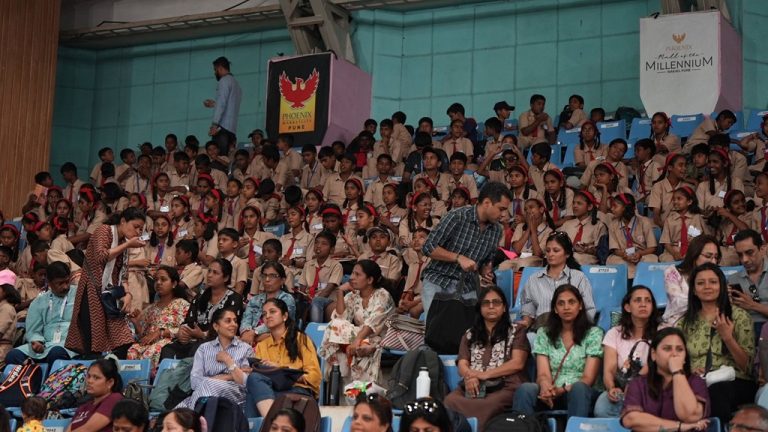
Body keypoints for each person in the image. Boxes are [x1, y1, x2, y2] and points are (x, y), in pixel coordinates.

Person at [678, 262, 756, 424]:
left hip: (734, 381)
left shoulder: (740, 317)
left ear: (721, 286)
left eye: (713, 282)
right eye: (701, 283)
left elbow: (748, 368)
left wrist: (727, 337)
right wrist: (690, 371)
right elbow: (676, 360)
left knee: (717, 390)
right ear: (694, 290)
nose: (707, 286)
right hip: (697, 381)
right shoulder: (684, 323)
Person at [443, 286, 530, 430]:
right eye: (486, 303)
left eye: (496, 302)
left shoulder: (517, 331)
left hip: (506, 386)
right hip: (473, 386)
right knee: (450, 401)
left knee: (487, 404)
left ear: (504, 308)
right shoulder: (470, 334)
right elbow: (462, 364)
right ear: (480, 308)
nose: (491, 306)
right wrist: (470, 376)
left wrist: (484, 375)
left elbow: (517, 363)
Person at [65, 208, 147, 357]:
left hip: (111, 295)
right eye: (136, 226)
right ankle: (95, 369)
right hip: (92, 292)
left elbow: (123, 273)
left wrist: (128, 294)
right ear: (123, 221)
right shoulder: (104, 230)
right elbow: (101, 256)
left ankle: (112, 368)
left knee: (123, 341)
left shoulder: (124, 242)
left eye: (141, 229)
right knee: (93, 344)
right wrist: (128, 245)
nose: (138, 232)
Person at [421, 181, 512, 315]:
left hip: (467, 288)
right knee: (438, 326)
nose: (503, 214)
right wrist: (458, 258)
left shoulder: (497, 230)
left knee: (469, 327)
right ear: (487, 203)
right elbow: (428, 247)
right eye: (501, 209)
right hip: (439, 281)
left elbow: (485, 262)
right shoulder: (457, 216)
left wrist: (486, 271)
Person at [512, 285, 603, 418]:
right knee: (526, 389)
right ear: (555, 309)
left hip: (580, 393)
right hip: (552, 392)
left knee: (579, 388)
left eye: (571, 302)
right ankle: (523, 425)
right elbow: (543, 374)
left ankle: (574, 427)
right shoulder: (544, 333)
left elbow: (588, 379)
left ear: (580, 306)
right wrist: (546, 387)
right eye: (561, 303)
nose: (566, 307)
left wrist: (562, 389)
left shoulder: (594, 333)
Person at [318, 260, 394, 384]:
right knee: (334, 325)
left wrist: (356, 341)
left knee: (341, 333)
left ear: (370, 280)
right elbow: (340, 318)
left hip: (381, 338)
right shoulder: (354, 295)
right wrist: (340, 292)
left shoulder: (382, 295)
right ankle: (338, 374)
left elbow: (372, 323)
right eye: (352, 273)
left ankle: (348, 376)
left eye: (357, 274)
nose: (352, 277)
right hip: (361, 337)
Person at [620, 327, 710, 432]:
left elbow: (691, 416)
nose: (674, 354)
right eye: (667, 349)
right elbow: (631, 419)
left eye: (680, 349)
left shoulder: (696, 382)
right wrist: (680, 426)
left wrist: (677, 371)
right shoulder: (638, 384)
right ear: (653, 354)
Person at [245, 298, 321, 417]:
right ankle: (270, 421)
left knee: (253, 397)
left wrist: (282, 370)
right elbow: (260, 378)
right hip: (272, 390)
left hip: (298, 390)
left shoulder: (301, 339)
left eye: (272, 311)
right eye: (264, 314)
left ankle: (269, 421)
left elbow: (315, 377)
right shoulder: (261, 346)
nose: (267, 316)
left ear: (285, 316)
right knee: (253, 380)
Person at [594, 285, 659, 417]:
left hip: (652, 387)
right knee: (602, 407)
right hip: (623, 388)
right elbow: (609, 370)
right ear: (627, 307)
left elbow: (655, 365)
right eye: (638, 300)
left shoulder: (662, 332)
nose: (643, 304)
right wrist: (612, 388)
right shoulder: (614, 333)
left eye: (648, 300)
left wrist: (634, 385)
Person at [160, 259, 243, 360]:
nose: (210, 275)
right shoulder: (201, 295)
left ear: (226, 278)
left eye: (215, 273)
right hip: (194, 339)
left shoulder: (234, 299)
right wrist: (183, 332)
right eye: (209, 271)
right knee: (168, 349)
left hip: (218, 342)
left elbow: (229, 327)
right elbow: (189, 320)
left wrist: (203, 335)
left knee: (198, 349)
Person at [176, 307, 252, 409]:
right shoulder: (204, 349)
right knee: (178, 411)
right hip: (205, 393)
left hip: (234, 395)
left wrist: (228, 361)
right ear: (216, 326)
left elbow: (245, 381)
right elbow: (195, 381)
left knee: (209, 385)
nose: (234, 324)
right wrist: (231, 375)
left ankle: (194, 414)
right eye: (228, 321)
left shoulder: (246, 349)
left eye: (235, 321)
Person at [518, 232, 596, 330]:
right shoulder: (533, 279)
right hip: (542, 330)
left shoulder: (579, 277)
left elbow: (589, 309)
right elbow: (528, 311)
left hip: (572, 330)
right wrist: (524, 323)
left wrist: (578, 329)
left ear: (567, 254)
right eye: (548, 251)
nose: (550, 254)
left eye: (556, 250)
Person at [5, 262, 76, 365]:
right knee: (13, 355)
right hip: (46, 344)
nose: (65, 286)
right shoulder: (39, 301)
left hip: (70, 344)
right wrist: (37, 341)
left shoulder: (79, 295)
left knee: (56, 353)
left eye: (67, 282)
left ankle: (35, 366)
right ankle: (32, 371)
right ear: (49, 283)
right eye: (60, 283)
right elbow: (33, 329)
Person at [127, 266, 190, 371]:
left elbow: (186, 330)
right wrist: (136, 322)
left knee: (151, 352)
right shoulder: (150, 308)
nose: (158, 282)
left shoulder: (182, 305)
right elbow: (144, 335)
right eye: (156, 280)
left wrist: (161, 333)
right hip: (149, 345)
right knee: (132, 351)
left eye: (163, 279)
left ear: (174, 284)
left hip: (169, 344)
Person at [662, 235, 720, 327]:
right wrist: (707, 300)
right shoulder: (672, 272)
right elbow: (677, 303)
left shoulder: (717, 276)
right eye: (708, 256)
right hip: (676, 323)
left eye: (716, 257)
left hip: (707, 323)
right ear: (694, 254)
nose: (713, 262)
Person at [240, 262, 296, 345]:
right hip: (250, 340)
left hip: (279, 342)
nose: (267, 279)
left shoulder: (287, 299)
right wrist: (245, 332)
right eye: (264, 275)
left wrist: (255, 333)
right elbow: (245, 320)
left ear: (282, 280)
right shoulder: (255, 300)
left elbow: (279, 324)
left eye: (272, 276)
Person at [728, 229, 768, 338]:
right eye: (740, 255)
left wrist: (752, 305)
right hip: (742, 332)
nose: (744, 259)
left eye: (749, 253)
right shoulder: (732, 280)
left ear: (762, 249)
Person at [67, 358, 124, 432]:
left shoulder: (115, 399)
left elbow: (87, 430)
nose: (89, 381)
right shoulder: (83, 407)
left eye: (96, 378)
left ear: (110, 382)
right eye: (89, 376)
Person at [204, 56, 242, 155]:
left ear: (220, 68)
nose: (215, 73)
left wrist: (214, 125)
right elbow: (229, 105)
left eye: (215, 70)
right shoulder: (236, 83)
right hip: (232, 129)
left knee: (218, 158)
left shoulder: (224, 81)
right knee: (226, 159)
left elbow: (222, 104)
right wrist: (214, 104)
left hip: (222, 129)